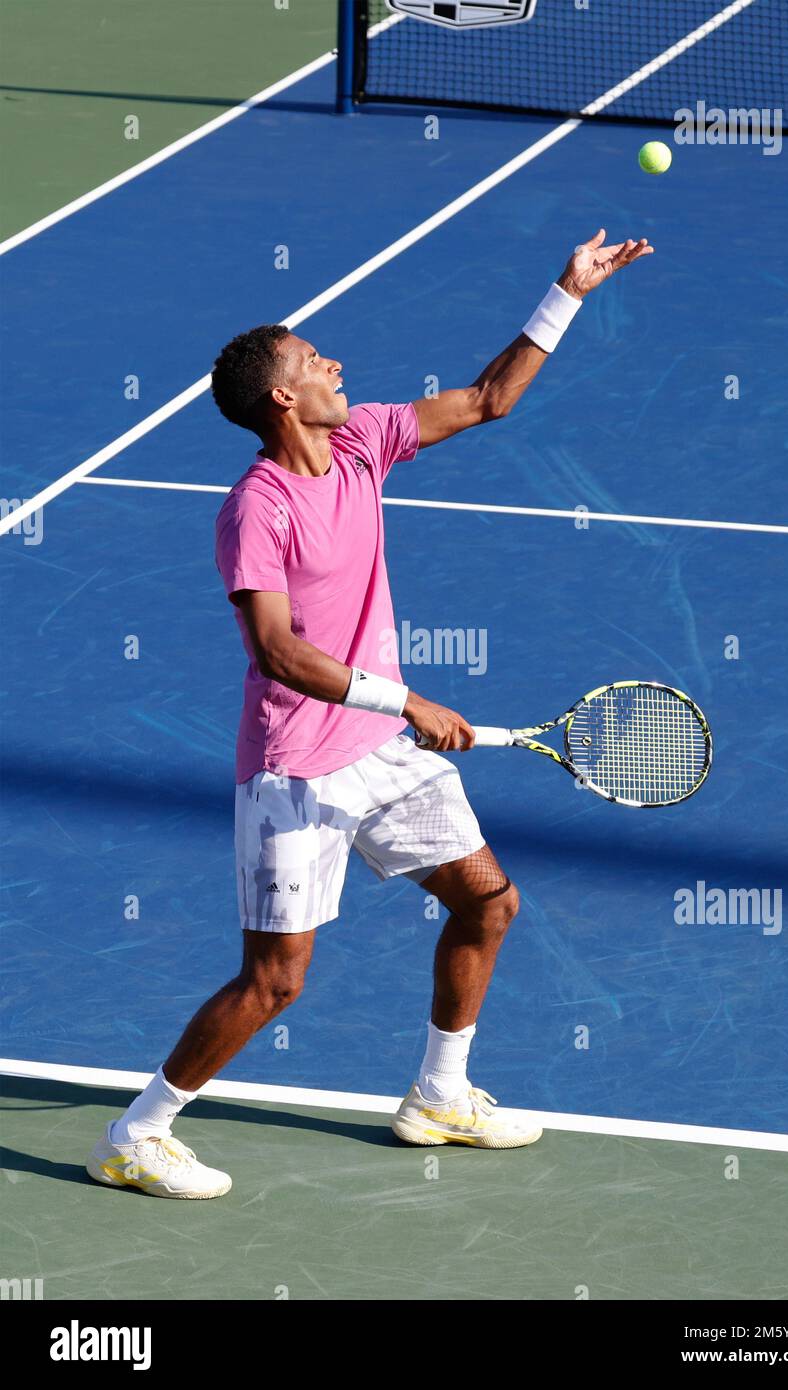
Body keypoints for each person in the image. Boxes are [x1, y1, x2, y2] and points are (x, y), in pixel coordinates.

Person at [87, 231, 652, 1197]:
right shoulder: (255, 510)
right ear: (282, 398)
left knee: (487, 900)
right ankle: (137, 1133)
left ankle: (439, 1093)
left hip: (383, 751)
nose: (335, 363)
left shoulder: (360, 444)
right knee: (276, 982)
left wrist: (567, 292)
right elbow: (275, 652)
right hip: (295, 770)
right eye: (315, 360)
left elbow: (485, 401)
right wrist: (409, 699)